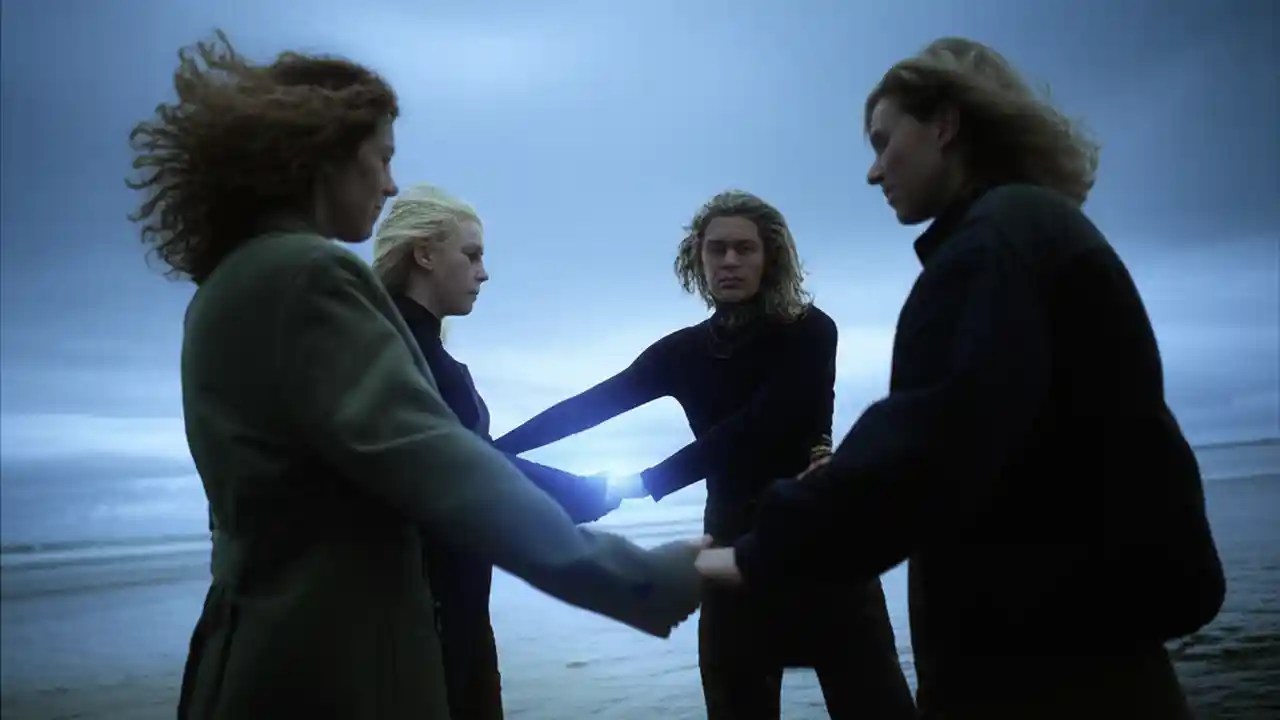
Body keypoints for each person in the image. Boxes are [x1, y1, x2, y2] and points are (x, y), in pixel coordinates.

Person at [126, 31, 702, 720]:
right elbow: (441, 467)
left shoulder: (222, 288)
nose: (391, 182)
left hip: (245, 654)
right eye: (382, 157)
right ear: (324, 155)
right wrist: (643, 577)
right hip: (335, 672)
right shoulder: (309, 276)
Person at [695, 38, 1226, 719]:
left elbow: (929, 444)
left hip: (1039, 671)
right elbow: (994, 443)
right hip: (1094, 642)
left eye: (885, 142)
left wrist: (754, 555)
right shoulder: (1036, 231)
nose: (873, 170)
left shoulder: (991, 249)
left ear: (944, 124)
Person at [494, 191, 917, 719]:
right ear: (699, 258)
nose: (730, 262)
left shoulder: (809, 332)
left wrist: (639, 483)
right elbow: (589, 406)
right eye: (717, 250)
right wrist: (486, 450)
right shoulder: (683, 351)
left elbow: (754, 428)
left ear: (771, 258)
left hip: (821, 547)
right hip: (730, 553)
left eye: (745, 249)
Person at [370, 184, 624, 719]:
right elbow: (466, 468)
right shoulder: (409, 358)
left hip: (442, 604)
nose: (483, 272)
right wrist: (589, 492)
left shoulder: (403, 348)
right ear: (424, 254)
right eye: (472, 254)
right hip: (428, 612)